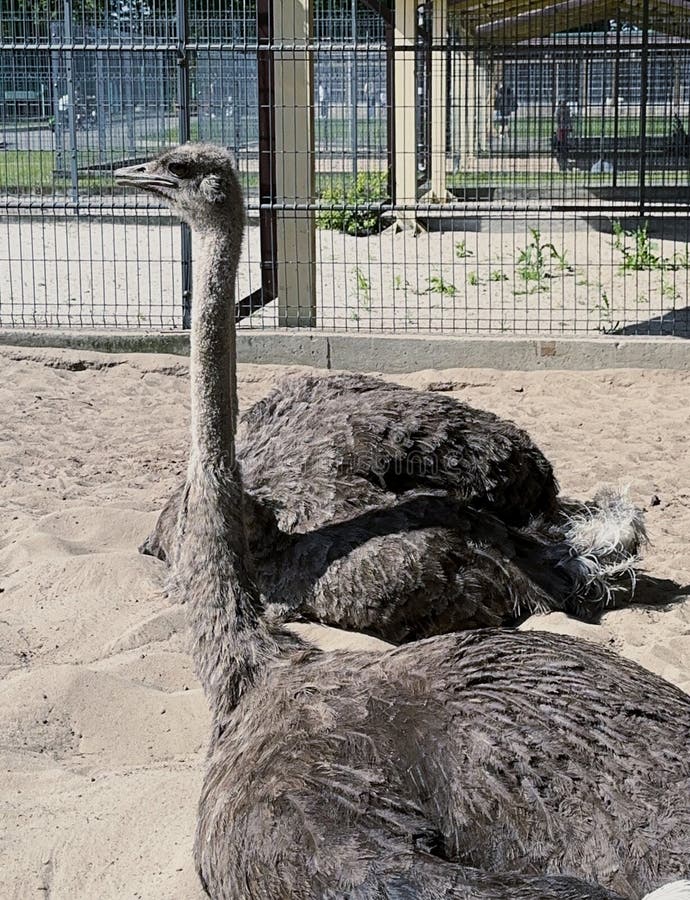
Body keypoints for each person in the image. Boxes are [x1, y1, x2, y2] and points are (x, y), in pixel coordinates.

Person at [553, 99, 572, 172]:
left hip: (565, 127)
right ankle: (560, 152)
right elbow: (557, 120)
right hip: (560, 128)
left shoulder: (567, 110)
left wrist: (569, 126)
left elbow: (569, 119)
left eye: (565, 103)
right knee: (560, 139)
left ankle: (564, 152)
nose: (564, 104)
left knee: (564, 139)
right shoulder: (558, 110)